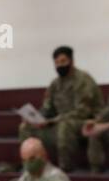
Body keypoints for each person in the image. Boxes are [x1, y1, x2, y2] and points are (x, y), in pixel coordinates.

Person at [18, 45, 102, 173]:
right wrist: (34, 118)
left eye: (63, 61)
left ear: (71, 62)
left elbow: (83, 111)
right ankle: (31, 167)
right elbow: (47, 108)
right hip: (60, 123)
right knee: (25, 127)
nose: (59, 65)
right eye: (56, 63)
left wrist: (53, 121)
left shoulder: (83, 80)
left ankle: (65, 170)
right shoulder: (55, 84)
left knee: (64, 125)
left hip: (84, 123)